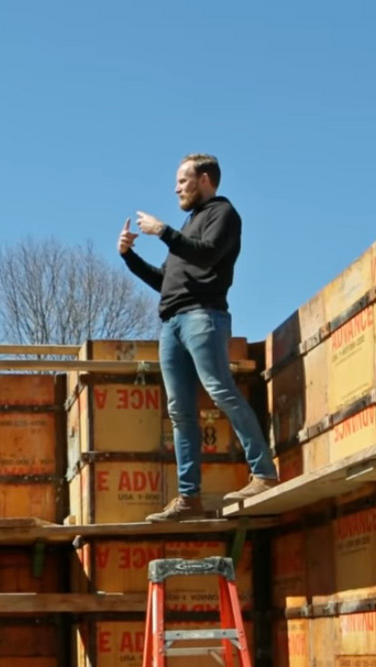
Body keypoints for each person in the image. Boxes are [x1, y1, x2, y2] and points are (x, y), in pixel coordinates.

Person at [118, 153, 279, 522]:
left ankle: (265, 474)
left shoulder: (223, 214)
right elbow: (165, 282)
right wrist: (129, 256)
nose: (176, 187)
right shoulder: (188, 227)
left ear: (205, 179)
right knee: (180, 412)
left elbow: (206, 258)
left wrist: (163, 233)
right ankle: (189, 498)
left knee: (221, 391)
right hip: (171, 324)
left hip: (203, 317)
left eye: (182, 180)